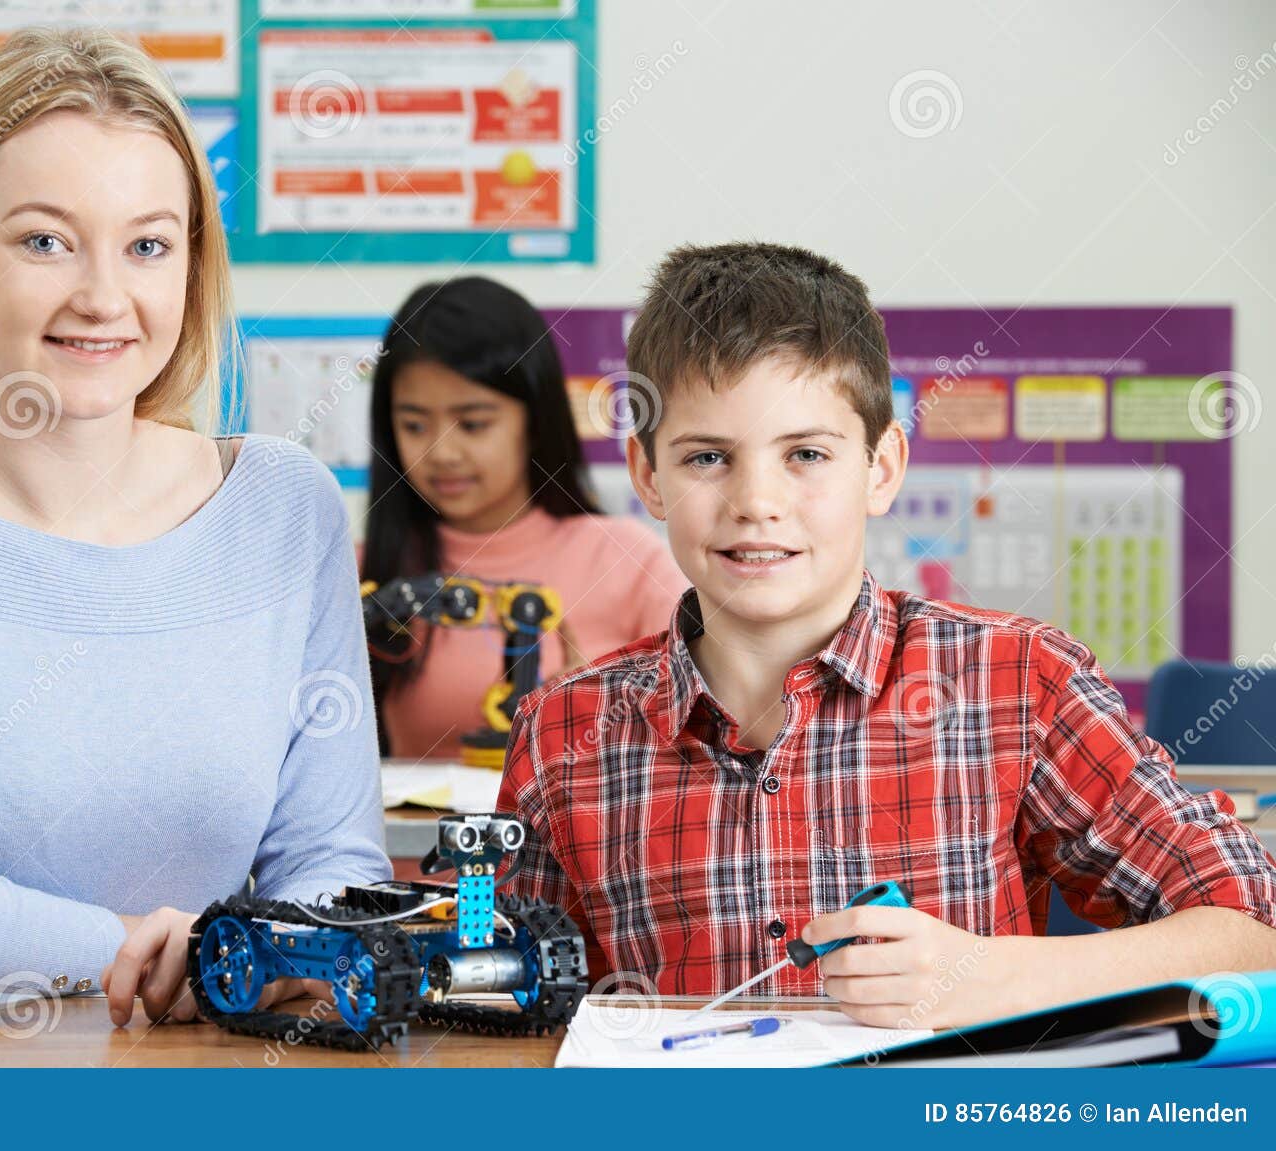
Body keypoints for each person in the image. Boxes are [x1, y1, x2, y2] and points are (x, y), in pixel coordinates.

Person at [0, 27, 386, 1029]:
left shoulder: (283, 504)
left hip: (189, 1068)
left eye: (147, 245)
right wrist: (194, 958)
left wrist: (237, 961)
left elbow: (334, 865)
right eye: (45, 240)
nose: (103, 297)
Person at [498, 241, 1276, 1028]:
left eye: (805, 453)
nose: (756, 502)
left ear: (882, 468)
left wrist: (1001, 977)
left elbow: (1252, 931)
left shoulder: (1018, 683)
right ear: (647, 476)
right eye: (707, 457)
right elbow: (516, 1014)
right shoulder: (562, 735)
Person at [360, 276, 687, 760]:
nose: (441, 452)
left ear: (534, 420)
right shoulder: (362, 573)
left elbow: (707, 734)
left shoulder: (626, 558)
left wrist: (593, 710)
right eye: (413, 424)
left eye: (473, 424)